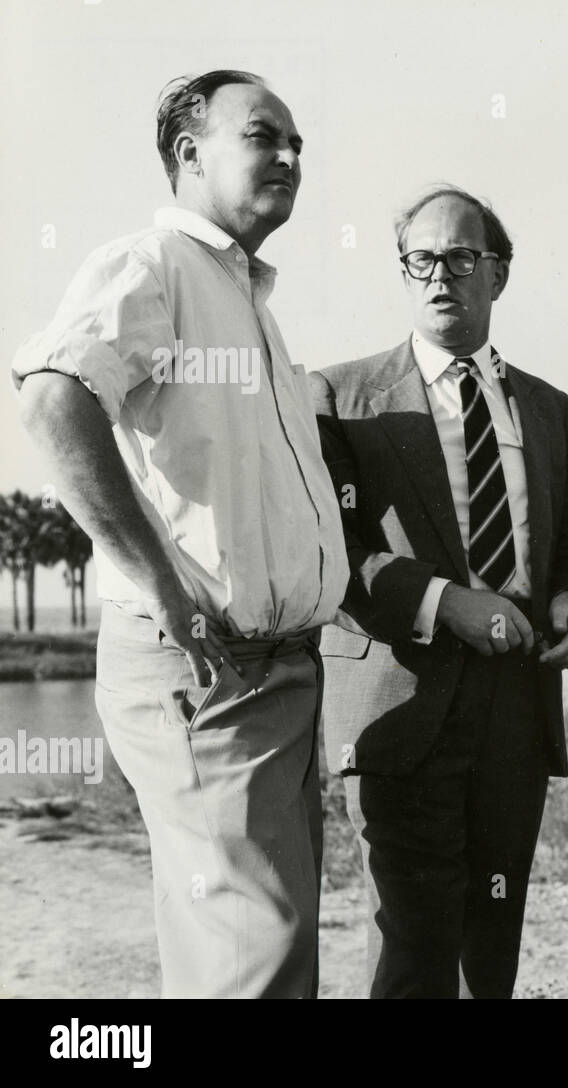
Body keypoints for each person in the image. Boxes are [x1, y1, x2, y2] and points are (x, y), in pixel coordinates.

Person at [12, 70, 347, 997]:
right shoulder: (150, 267)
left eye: (299, 146)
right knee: (255, 958)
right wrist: (166, 591)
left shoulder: (246, 301)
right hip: (211, 671)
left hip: (272, 672)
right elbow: (52, 400)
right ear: (188, 153)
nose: (289, 157)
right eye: (264, 136)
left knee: (247, 949)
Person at [312, 184, 568, 998]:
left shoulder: (548, 409)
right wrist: (450, 603)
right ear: (403, 275)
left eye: (462, 258)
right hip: (399, 705)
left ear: (498, 275)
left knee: (492, 939)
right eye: (422, 260)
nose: (441, 276)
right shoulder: (339, 399)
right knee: (414, 943)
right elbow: (335, 554)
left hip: (515, 710)